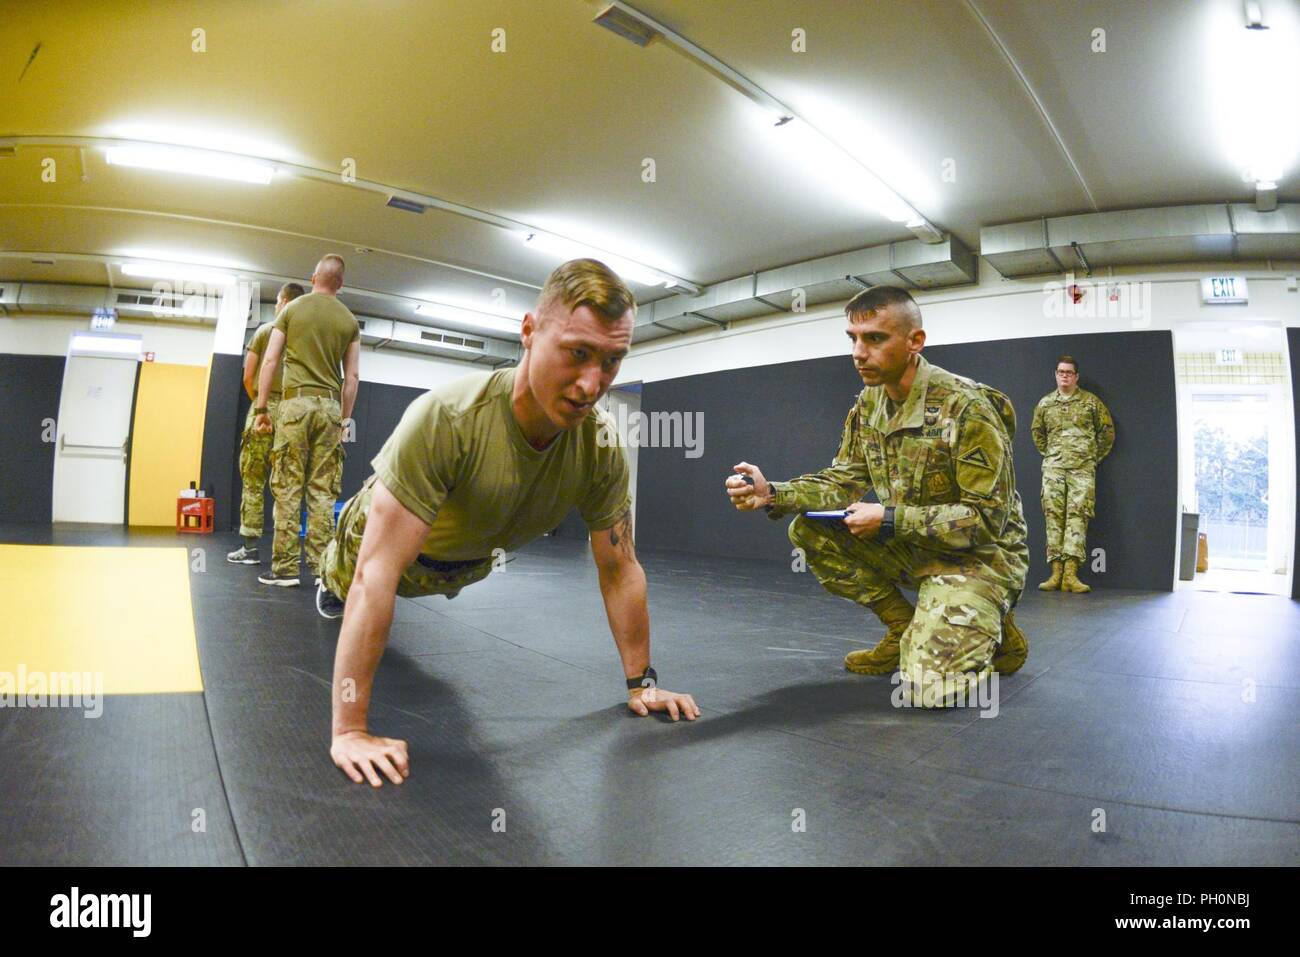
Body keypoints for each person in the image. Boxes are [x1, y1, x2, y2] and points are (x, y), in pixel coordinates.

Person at [319, 259, 700, 787]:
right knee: (346, 581)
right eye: (577, 353)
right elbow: (375, 575)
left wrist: (644, 685)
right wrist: (351, 731)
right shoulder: (447, 419)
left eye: (612, 361)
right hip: (372, 546)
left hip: (466, 565)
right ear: (528, 332)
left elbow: (621, 568)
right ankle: (324, 580)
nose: (593, 384)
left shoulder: (601, 445)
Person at [725, 286, 1029, 707]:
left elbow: (985, 521)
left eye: (874, 338)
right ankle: (902, 625)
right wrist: (773, 492)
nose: (858, 352)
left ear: (914, 342)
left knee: (926, 693)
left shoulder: (967, 407)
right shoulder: (869, 405)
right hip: (915, 545)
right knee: (810, 529)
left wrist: (887, 520)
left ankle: (995, 622)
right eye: (852, 338)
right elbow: (843, 481)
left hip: (980, 558)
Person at [252, 254, 361, 587]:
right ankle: (319, 568)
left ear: (314, 277)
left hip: (294, 405)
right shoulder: (350, 321)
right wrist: (344, 420)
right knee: (323, 491)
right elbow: (353, 377)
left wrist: (260, 410)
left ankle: (284, 570)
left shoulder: (291, 310)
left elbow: (270, 361)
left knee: (287, 486)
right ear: (340, 283)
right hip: (329, 407)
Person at [227, 282, 305, 565]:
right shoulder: (305, 340)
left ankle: (249, 548)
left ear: (283, 302)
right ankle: (284, 557)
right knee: (287, 484)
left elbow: (249, 376)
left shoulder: (265, 331)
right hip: (293, 412)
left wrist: (261, 406)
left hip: (264, 409)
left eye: (276, 302)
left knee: (253, 478)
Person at [1031, 355, 1115, 593]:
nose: (1064, 375)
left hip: (1082, 470)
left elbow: (1107, 433)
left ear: (1076, 376)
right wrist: (1053, 457)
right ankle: (1055, 573)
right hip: (1053, 469)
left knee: (1078, 517)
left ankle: (1071, 574)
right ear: (1055, 374)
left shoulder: (1091, 403)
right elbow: (1038, 434)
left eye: (1069, 372)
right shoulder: (1045, 404)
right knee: (1053, 517)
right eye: (1060, 372)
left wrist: (1090, 458)